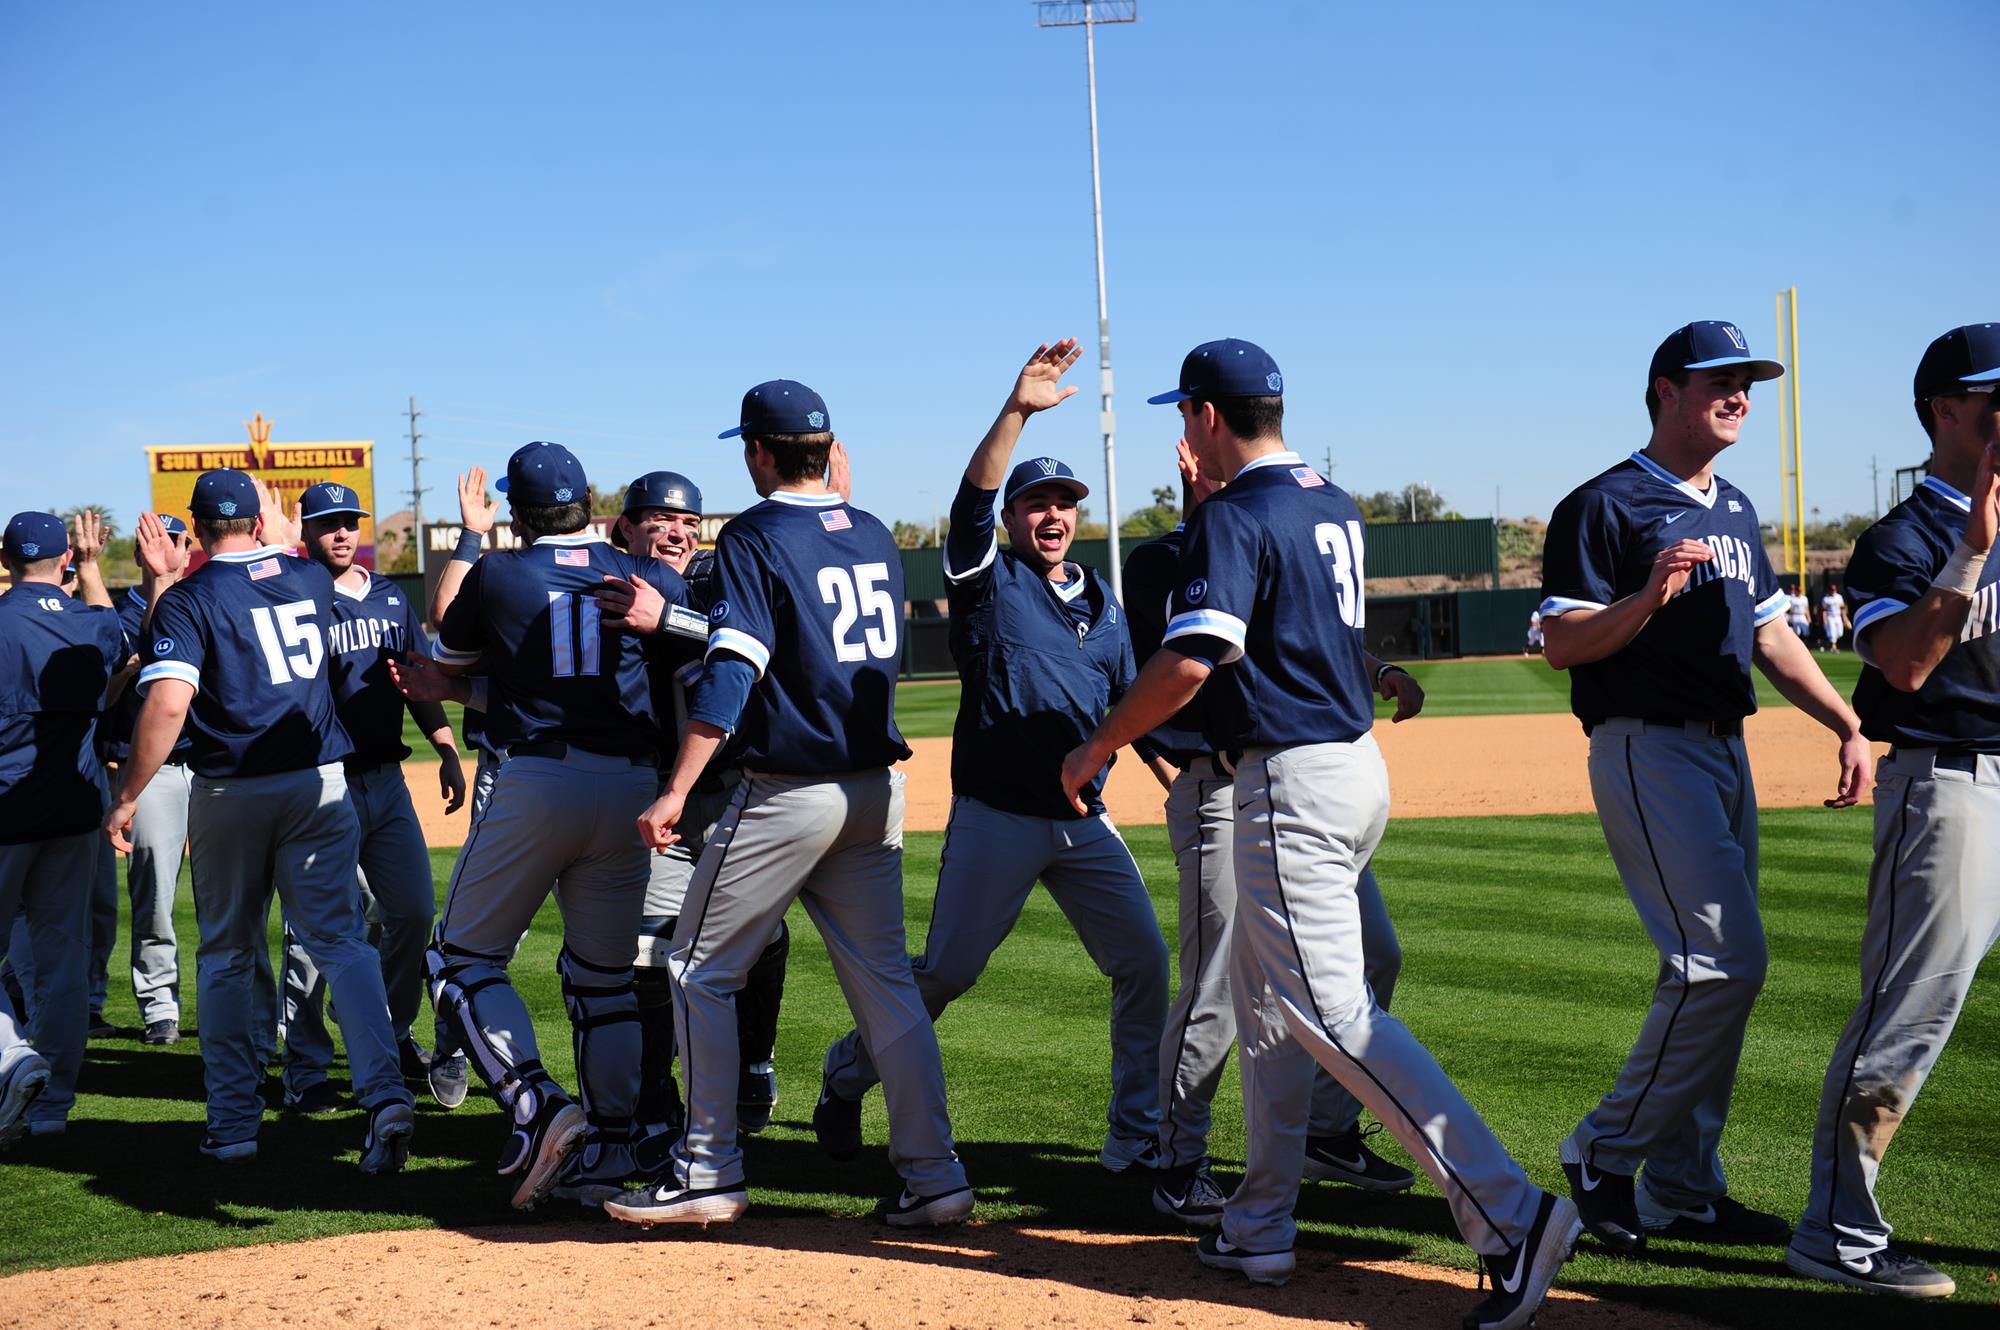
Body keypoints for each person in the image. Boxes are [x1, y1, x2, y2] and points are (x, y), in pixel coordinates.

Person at [1062, 338, 1579, 1330]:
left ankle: (1510, 1218)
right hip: (1345, 770)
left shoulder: (1238, 511)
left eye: (1184, 413)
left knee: (1334, 1015)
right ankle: (1259, 1218)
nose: (1184, 431)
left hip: (1286, 784)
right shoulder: (1327, 501)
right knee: (1265, 1010)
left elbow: (1193, 657)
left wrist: (1096, 748)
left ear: (1208, 415)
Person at [606, 380, 971, 1230]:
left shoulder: (754, 536)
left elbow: (735, 669)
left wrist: (677, 787)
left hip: (787, 793)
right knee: (888, 990)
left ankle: (705, 1168)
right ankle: (935, 1173)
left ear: (759, 452)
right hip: (876, 793)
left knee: (696, 968)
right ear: (827, 448)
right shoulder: (875, 531)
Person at [1538, 321, 1870, 1254]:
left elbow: (1771, 638)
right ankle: (1603, 1155)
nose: (1741, 396)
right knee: (1724, 963)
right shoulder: (1602, 505)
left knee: (1709, 975)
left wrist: (1845, 724)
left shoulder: (1734, 509)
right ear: (1665, 391)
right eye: (1722, 380)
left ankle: (1683, 1186)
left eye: (1748, 382)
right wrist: (1643, 600)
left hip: (1728, 754)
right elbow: (1561, 642)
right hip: (1649, 750)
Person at [818, 341, 1169, 1175]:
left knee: (1145, 964)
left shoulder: (1106, 607)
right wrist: (1015, 411)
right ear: (1013, 520)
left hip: (1084, 822)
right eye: (1035, 504)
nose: (1052, 516)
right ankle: (847, 1071)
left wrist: (1173, 770)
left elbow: (1134, 709)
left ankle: (1134, 1134)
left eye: (1065, 504)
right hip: (996, 819)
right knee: (944, 974)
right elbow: (971, 500)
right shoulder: (987, 580)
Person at [1124, 445, 1419, 1229]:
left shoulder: (1270, 525)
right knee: (1217, 981)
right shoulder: (1162, 559)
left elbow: (1303, 633)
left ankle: (1326, 1131)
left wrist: (1378, 667)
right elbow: (1184, 653)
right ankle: (1178, 1156)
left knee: (1375, 952)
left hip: (1294, 787)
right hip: (1220, 786)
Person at [104, 471, 417, 1170]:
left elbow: (165, 705)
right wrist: (272, 530)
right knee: (342, 943)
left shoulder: (190, 597)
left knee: (225, 954)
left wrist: (127, 794)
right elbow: (277, 558)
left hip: (232, 790)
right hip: (319, 781)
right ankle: (385, 1093)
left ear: (195, 526)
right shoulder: (310, 580)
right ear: (258, 518)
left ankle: (235, 1122)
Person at [1785, 323, 2000, 1299]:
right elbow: (1906, 663)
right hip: (1948, 786)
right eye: (1993, 401)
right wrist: (1968, 556)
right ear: (1942, 412)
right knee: (1906, 1015)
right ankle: (1835, 1226)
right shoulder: (1901, 540)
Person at [427, 440, 690, 1210]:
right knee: (604, 983)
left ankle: (537, 1104)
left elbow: (450, 649)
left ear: (518, 509)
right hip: (633, 789)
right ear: (589, 502)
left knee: (456, 959)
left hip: (539, 776)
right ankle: (607, 1156)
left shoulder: (501, 571)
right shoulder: (650, 573)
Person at [609, 471, 792, 1156]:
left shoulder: (719, 578)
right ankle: (657, 1093)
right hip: (652, 795)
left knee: (765, 935)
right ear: (623, 530)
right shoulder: (607, 585)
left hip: (730, 792)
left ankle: (755, 1059)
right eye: (659, 520)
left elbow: (752, 635)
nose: (679, 532)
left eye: (689, 522)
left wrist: (669, 619)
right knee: (648, 949)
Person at [277, 481, 467, 1114]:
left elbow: (416, 679)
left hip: (386, 780)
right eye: (327, 523)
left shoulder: (387, 596)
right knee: (312, 930)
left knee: (412, 911)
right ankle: (304, 1066)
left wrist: (444, 746)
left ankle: (388, 1030)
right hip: (321, 782)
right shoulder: (291, 595)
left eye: (349, 522)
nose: (341, 533)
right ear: (304, 532)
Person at [0, 512, 126, 1147]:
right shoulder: (89, 620)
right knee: (62, 963)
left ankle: (13, 1061)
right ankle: (51, 1108)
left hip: (5, 808)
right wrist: (93, 564)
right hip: (75, 809)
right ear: (66, 558)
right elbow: (119, 644)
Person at [1820, 583, 1849, 651]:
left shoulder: (1839, 597)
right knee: (1832, 632)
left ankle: (1829, 643)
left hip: (1838, 617)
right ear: (1829, 590)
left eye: (1834, 589)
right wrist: (1824, 619)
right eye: (1832, 590)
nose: (1833, 591)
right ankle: (1833, 647)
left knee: (1840, 633)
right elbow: (1824, 610)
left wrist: (1845, 618)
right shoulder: (1826, 598)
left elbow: (1842, 608)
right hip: (1830, 617)